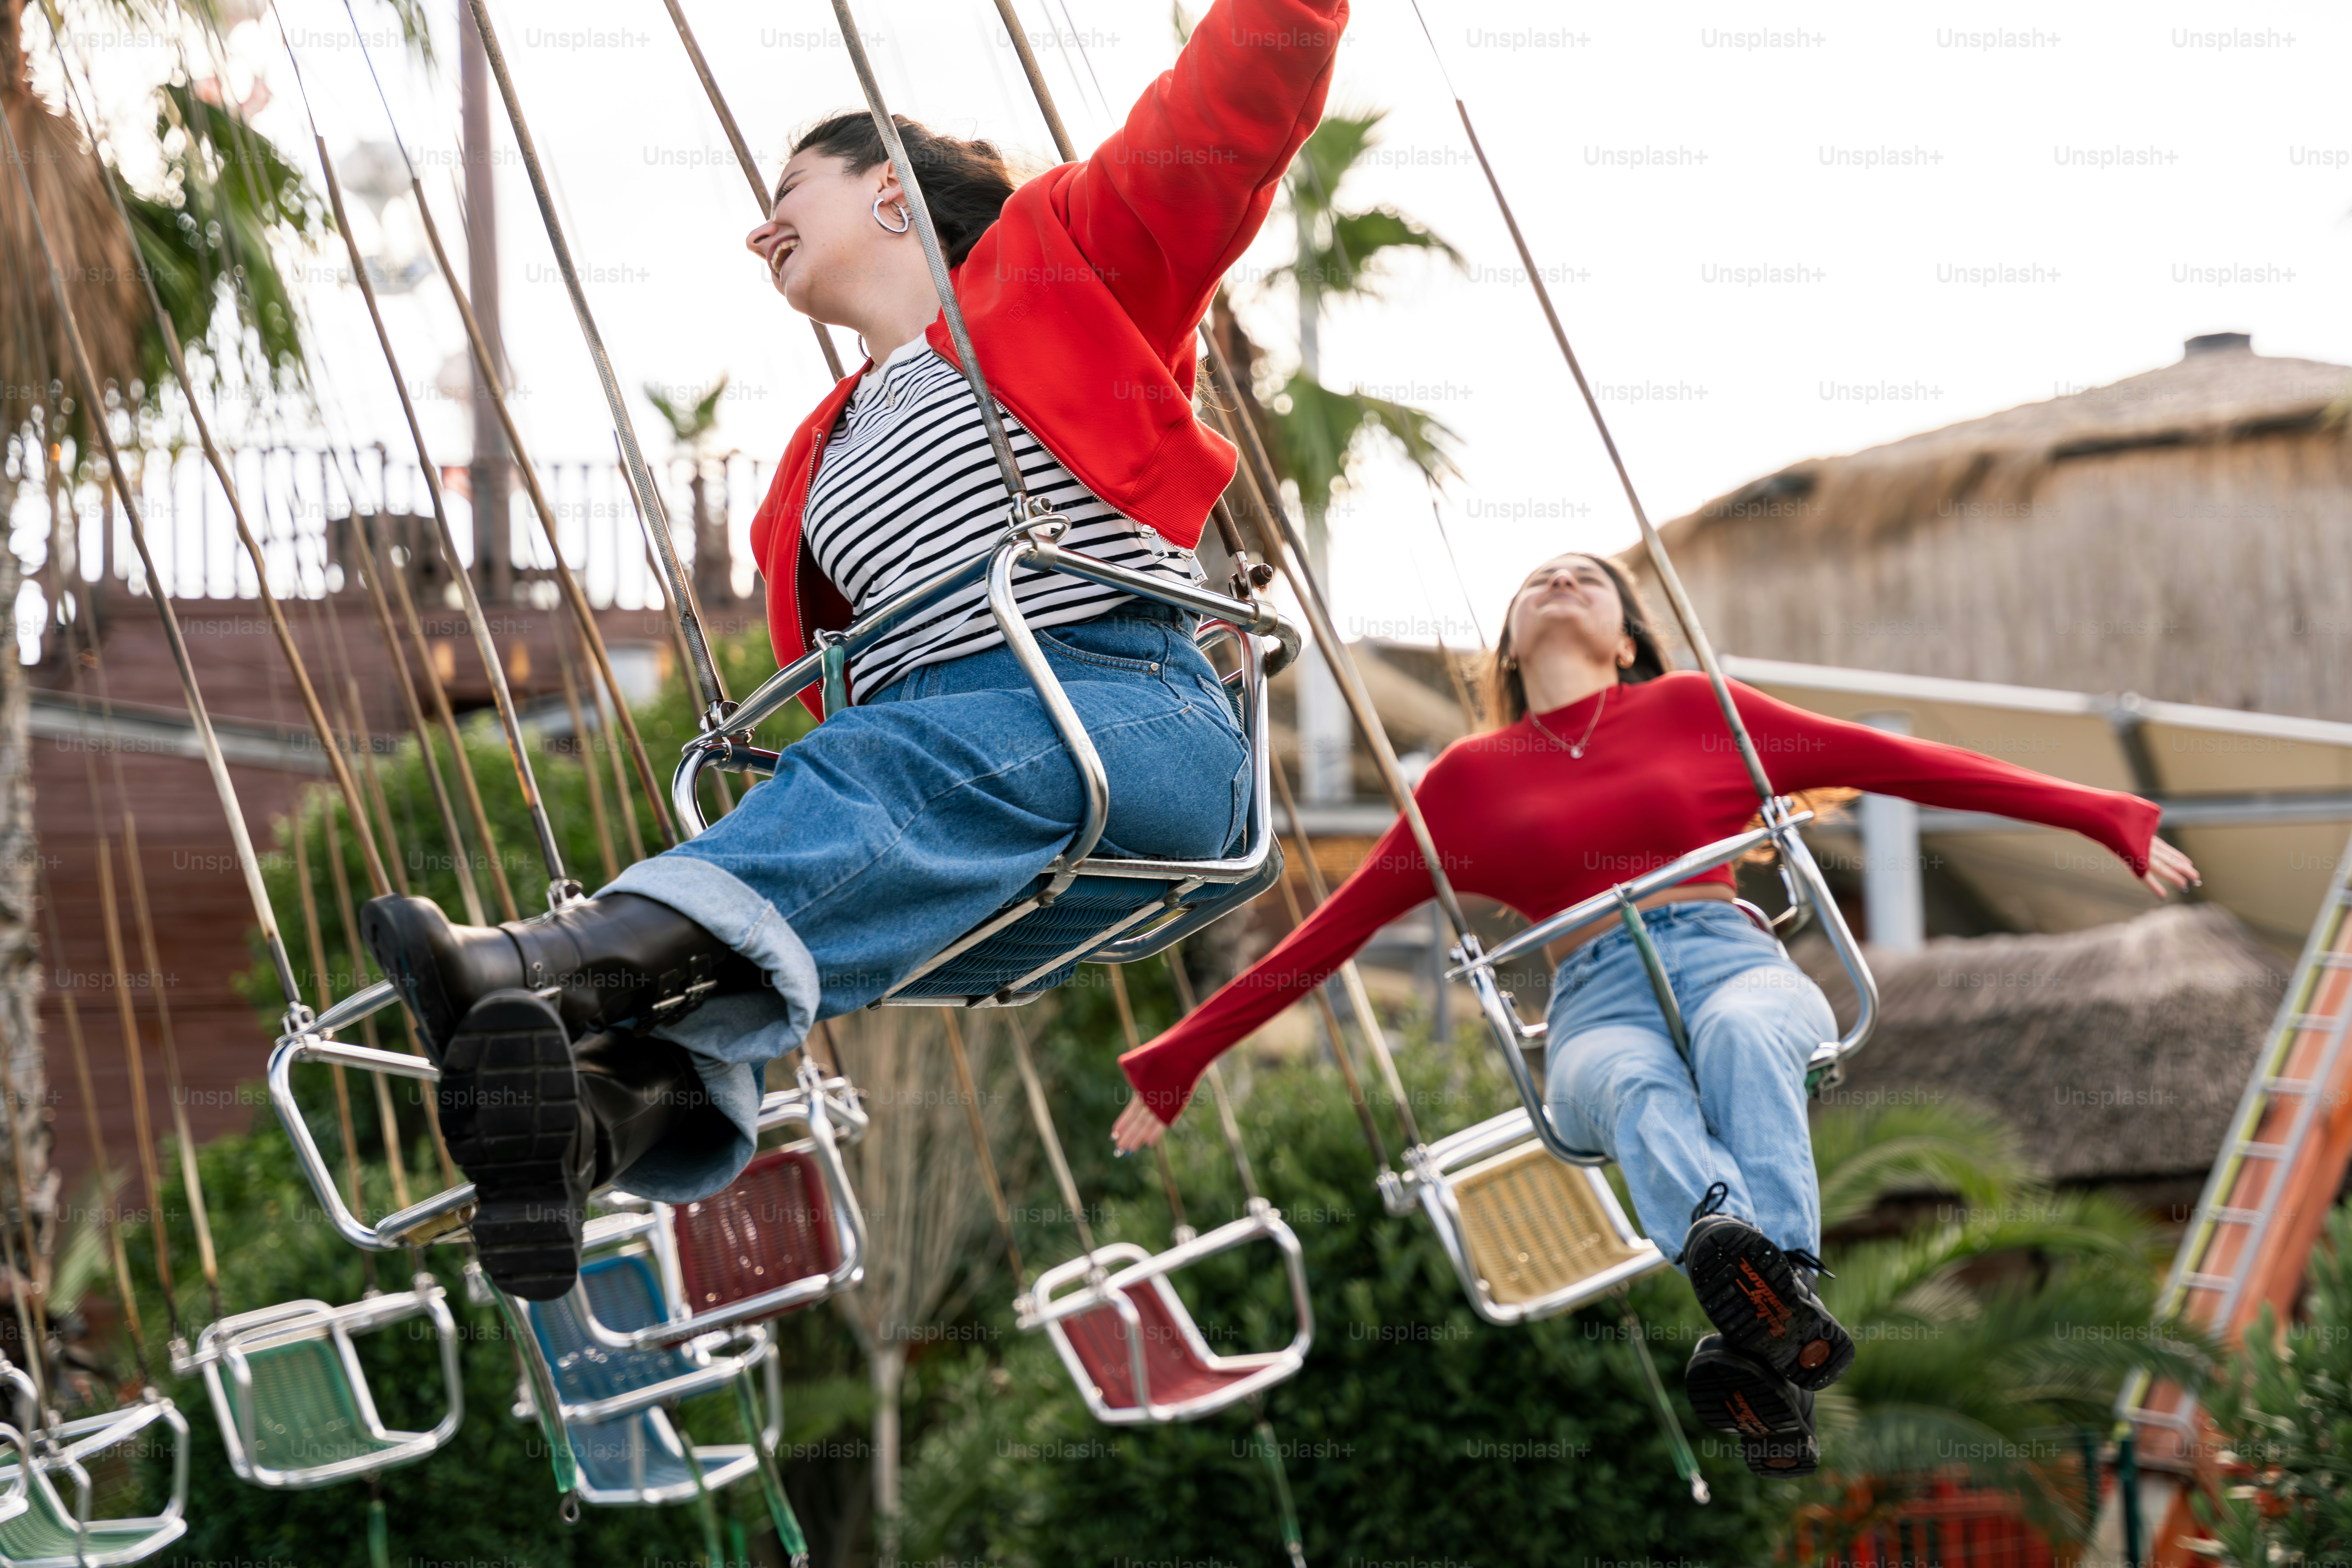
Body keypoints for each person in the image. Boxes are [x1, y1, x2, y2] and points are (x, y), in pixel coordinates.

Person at [362, 0, 1350, 1300]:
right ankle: (598, 1117)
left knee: (880, 779)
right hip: (967, 794)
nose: (757, 226)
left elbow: (1242, 100)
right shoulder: (814, 459)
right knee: (814, 869)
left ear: (892, 191)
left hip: (1127, 718)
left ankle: (541, 964)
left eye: (789, 190)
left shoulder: (1067, 265)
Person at [1111, 550, 2198, 1475]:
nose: (1561, 578)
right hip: (1592, 996)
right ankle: (1768, 1308)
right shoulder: (1466, 783)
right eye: (1541, 578)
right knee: (1626, 1084)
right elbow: (1329, 934)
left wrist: (2102, 815)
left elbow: (1902, 761)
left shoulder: (1694, 712)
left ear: (1627, 637)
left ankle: (1763, 1301)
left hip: (1729, 956)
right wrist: (1179, 1059)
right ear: (1509, 646)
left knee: (1740, 1035)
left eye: (1591, 577)